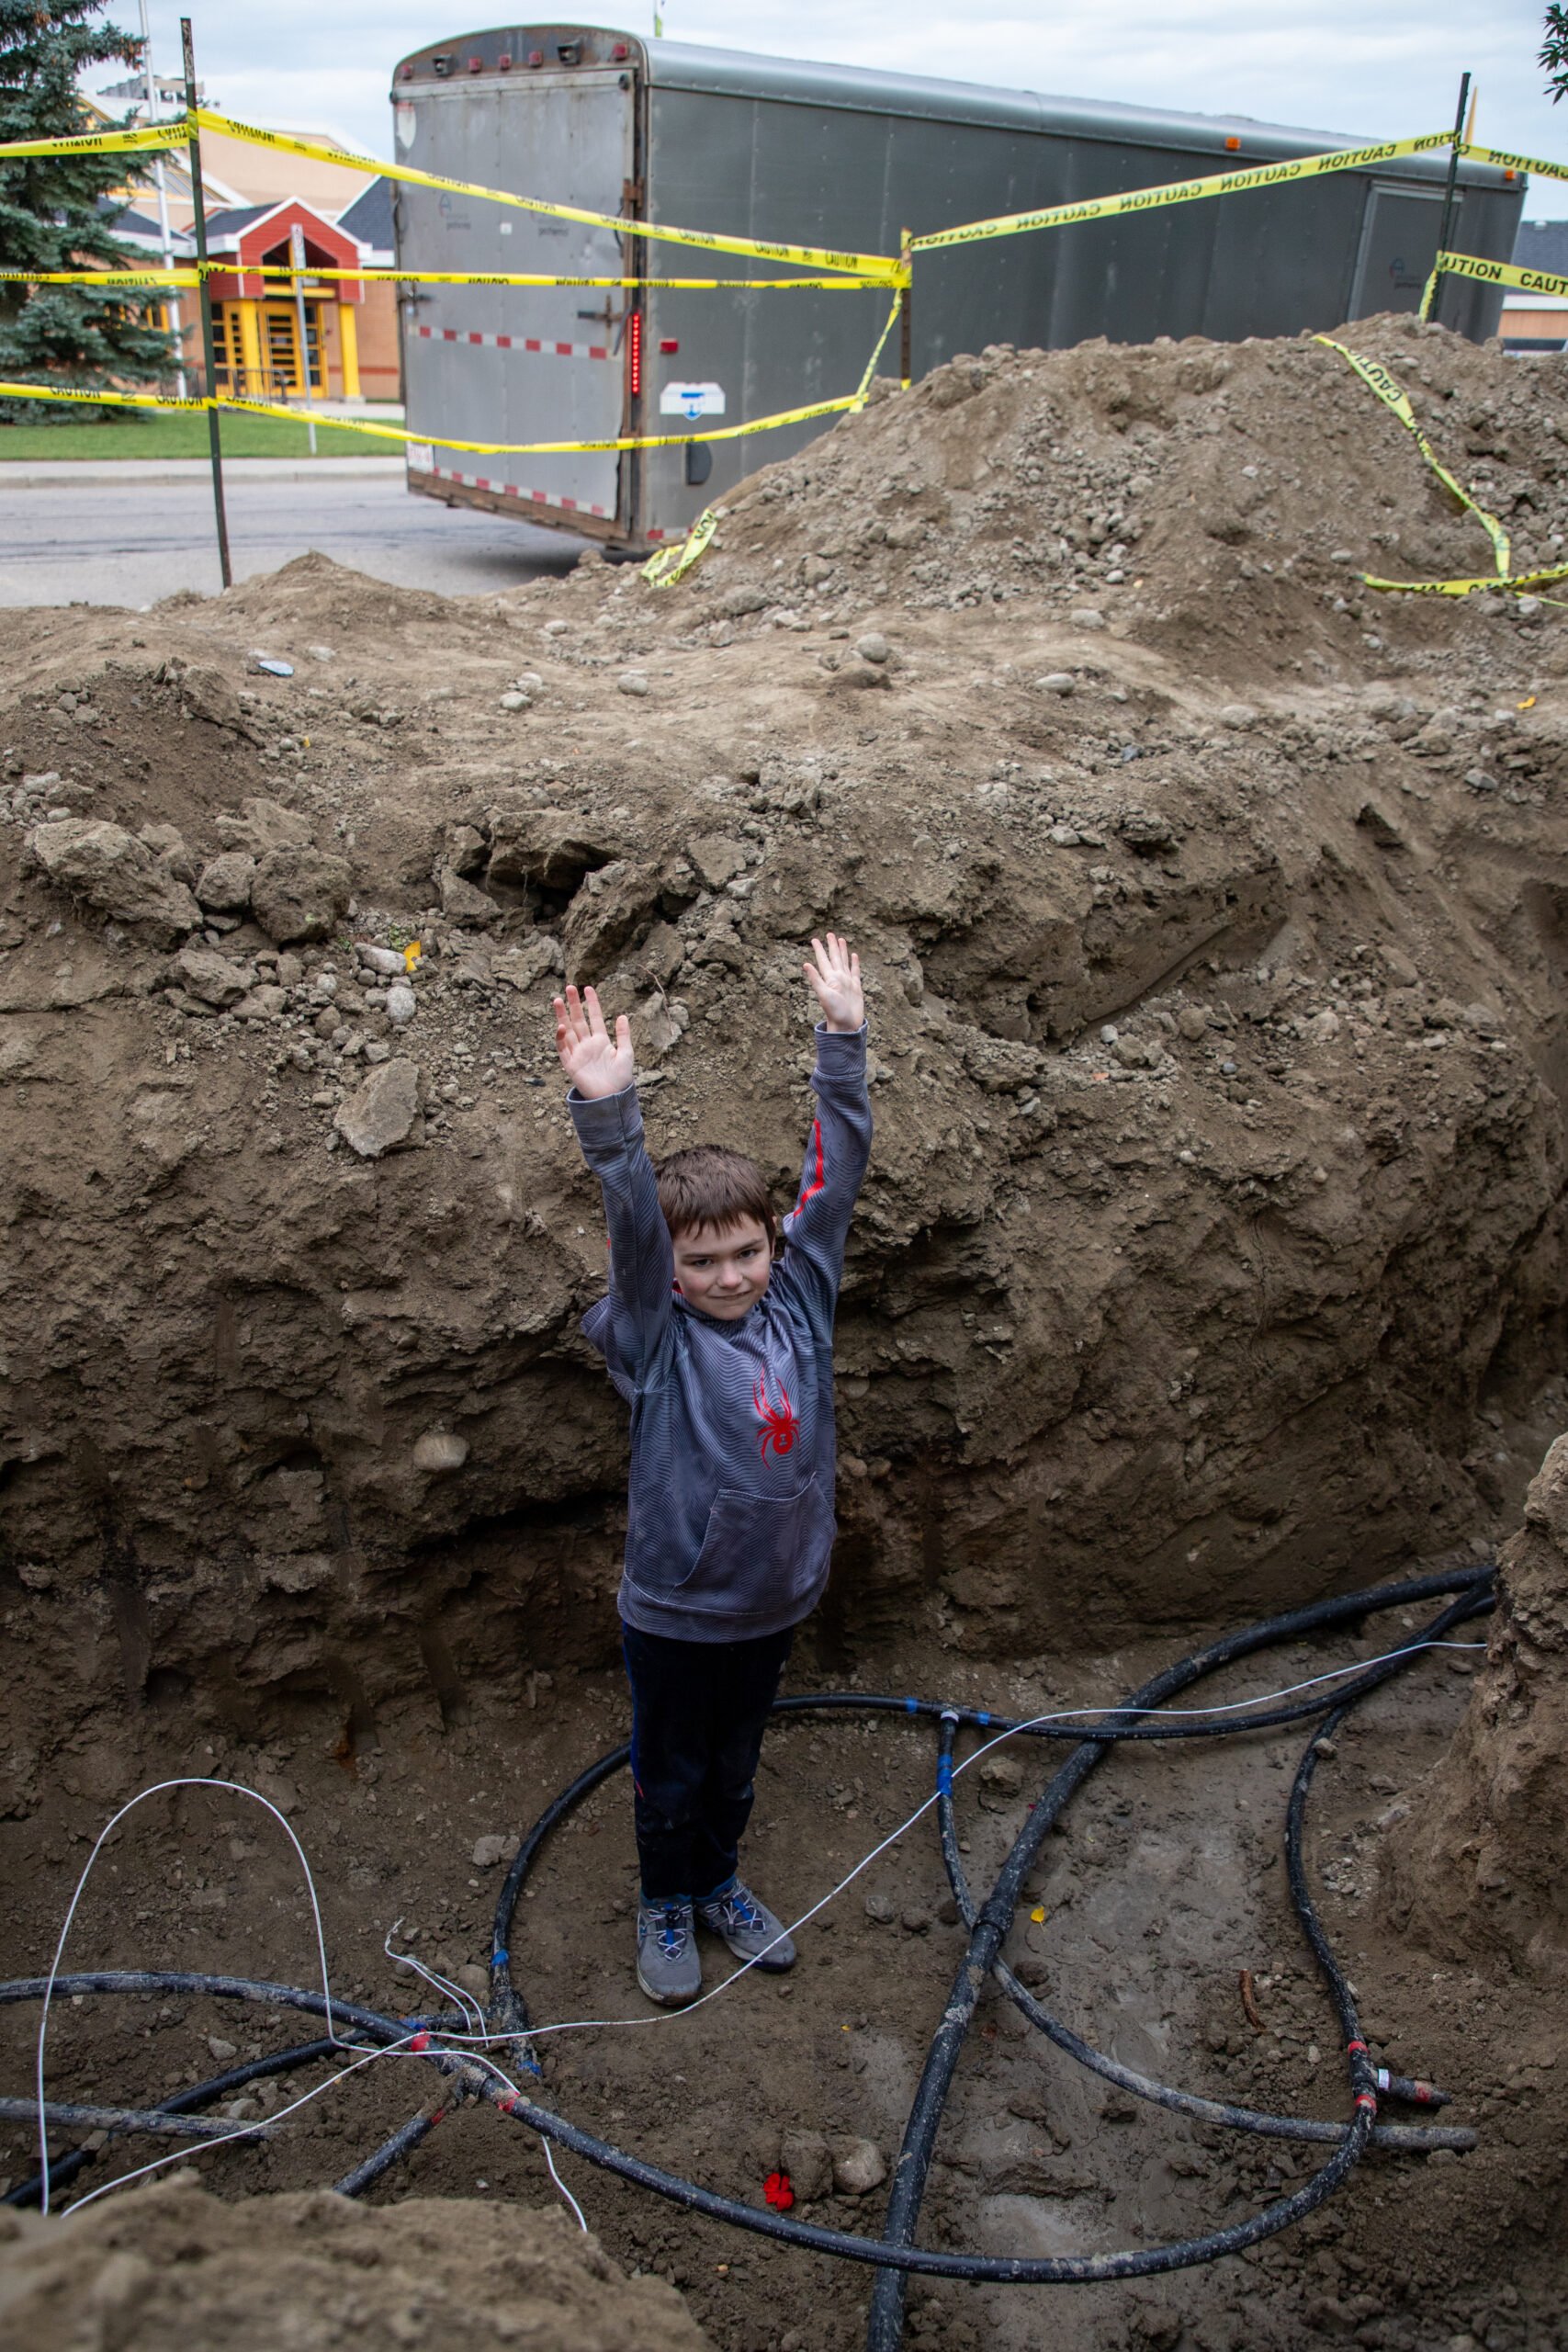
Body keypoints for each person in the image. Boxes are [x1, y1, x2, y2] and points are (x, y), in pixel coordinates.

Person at [554, 934, 872, 2005]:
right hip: (676, 1614)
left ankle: (720, 1881)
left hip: (771, 1603)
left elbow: (834, 1180)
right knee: (672, 1769)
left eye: (746, 1252)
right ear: (674, 1273)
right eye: (702, 1261)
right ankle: (664, 1897)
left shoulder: (801, 1304)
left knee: (736, 1765)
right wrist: (611, 1113)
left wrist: (843, 1040)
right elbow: (633, 1235)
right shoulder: (658, 1340)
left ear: (774, 1246)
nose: (730, 1276)